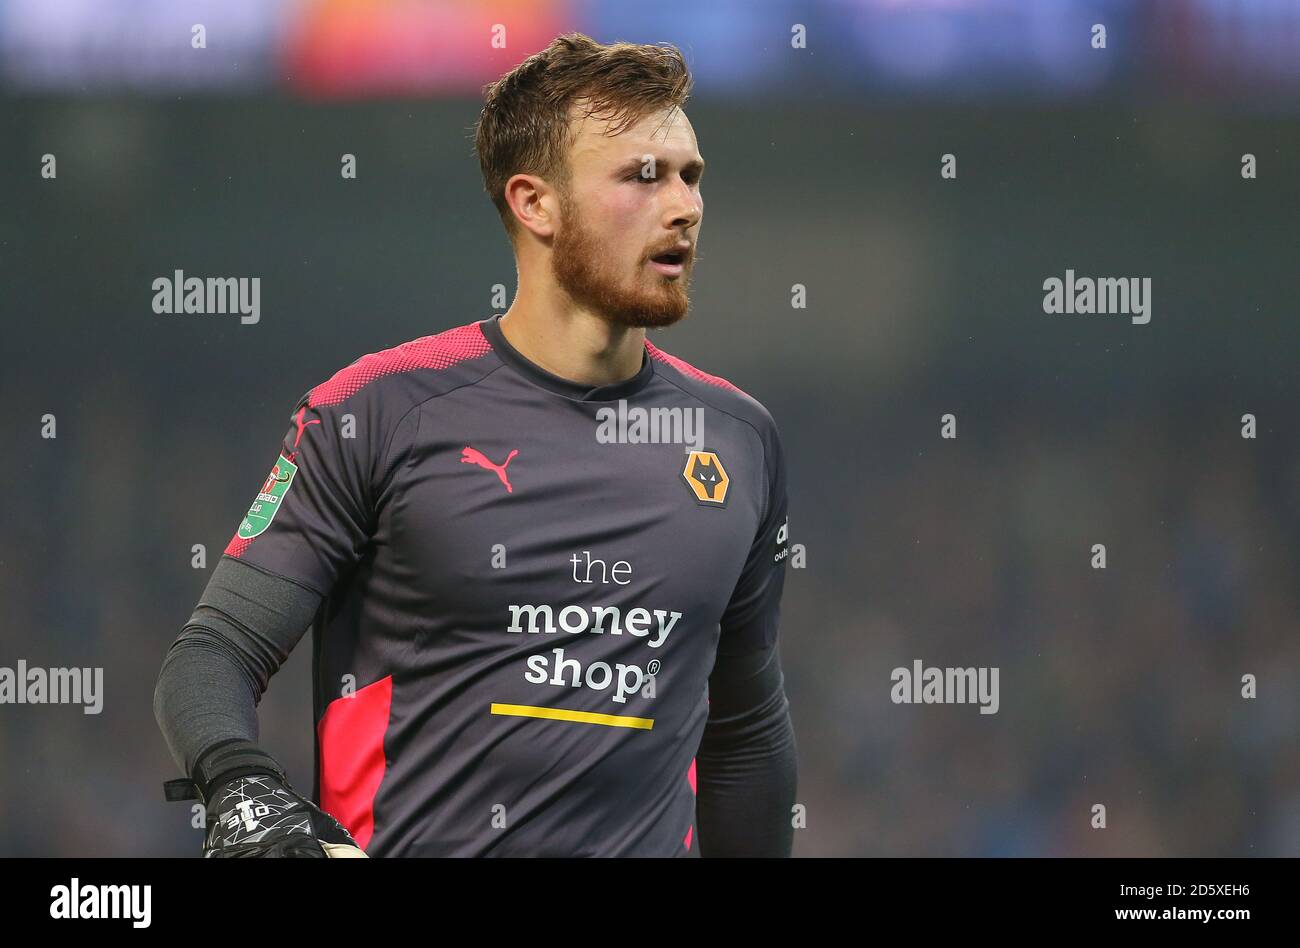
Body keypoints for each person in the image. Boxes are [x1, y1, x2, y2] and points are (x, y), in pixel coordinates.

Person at [154, 32, 796, 858]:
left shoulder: (740, 441)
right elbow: (213, 655)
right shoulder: (374, 412)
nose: (684, 205)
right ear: (536, 203)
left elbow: (745, 733)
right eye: (643, 175)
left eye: (690, 175)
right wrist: (245, 793)